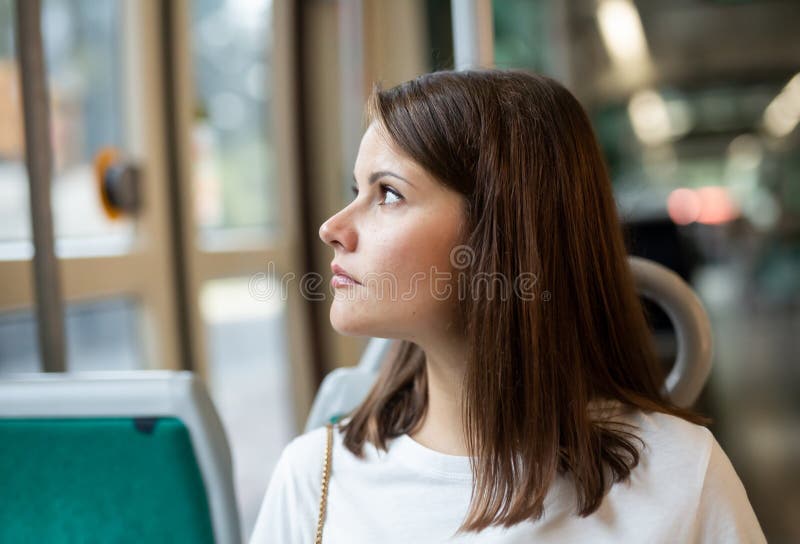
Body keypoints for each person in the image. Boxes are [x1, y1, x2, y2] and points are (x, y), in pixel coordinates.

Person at [250, 69, 766, 543]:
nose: (332, 229)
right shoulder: (313, 478)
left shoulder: (682, 475)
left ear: (502, 234)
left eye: (387, 193)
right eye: (355, 189)